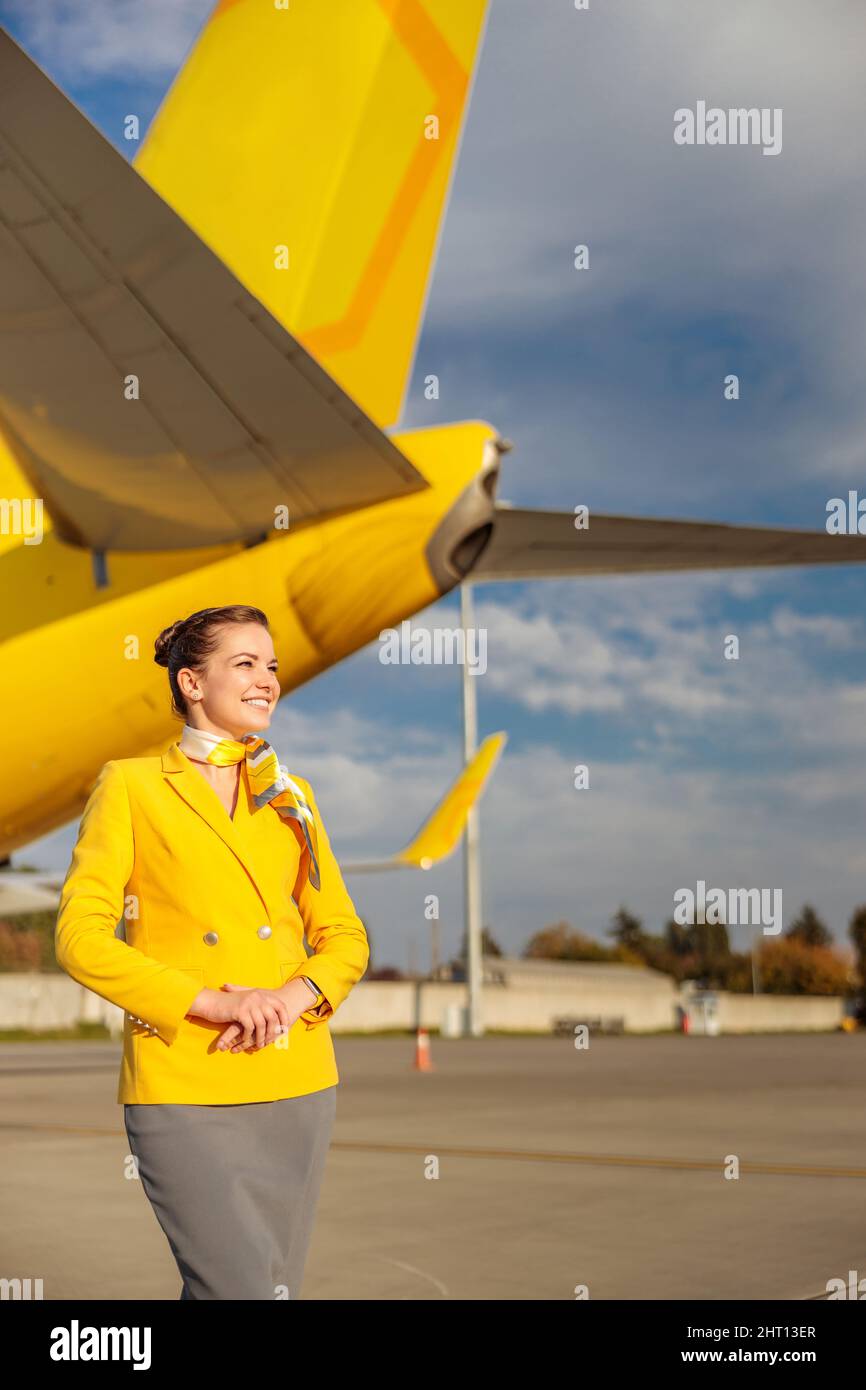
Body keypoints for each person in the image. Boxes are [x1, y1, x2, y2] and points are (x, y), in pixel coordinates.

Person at [55, 603, 369, 1299]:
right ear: (192, 684)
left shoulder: (292, 797)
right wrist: (206, 998)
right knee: (239, 1289)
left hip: (296, 1078)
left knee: (265, 1288)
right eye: (246, 664)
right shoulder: (131, 785)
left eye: (273, 666)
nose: (268, 681)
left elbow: (343, 935)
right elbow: (79, 939)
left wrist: (290, 998)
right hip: (184, 1081)